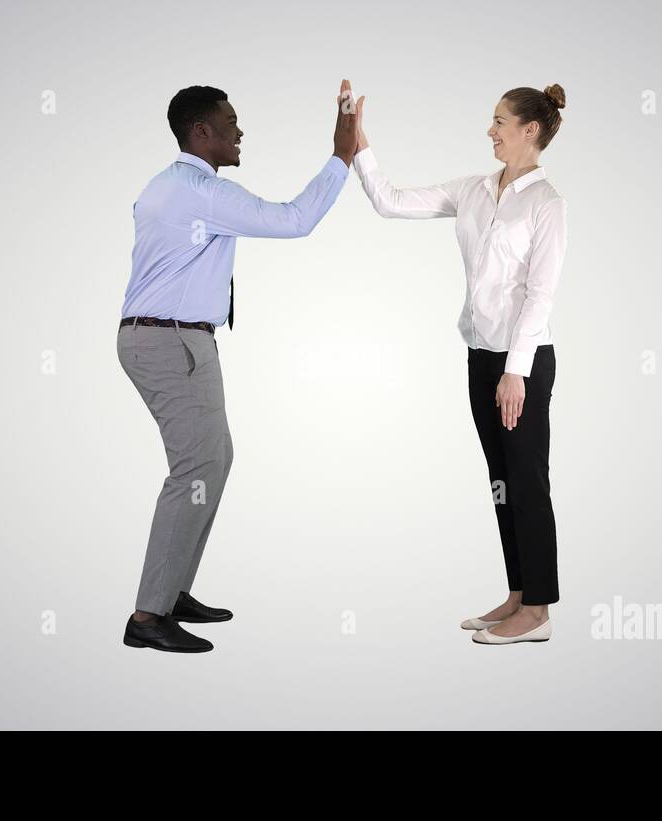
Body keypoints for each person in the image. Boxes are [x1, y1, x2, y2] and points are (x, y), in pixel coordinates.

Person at [118, 81, 359, 653]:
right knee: (196, 468)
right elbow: (295, 219)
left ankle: (172, 590)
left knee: (213, 460)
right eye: (230, 122)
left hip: (171, 339)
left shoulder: (168, 186)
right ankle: (148, 617)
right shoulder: (198, 189)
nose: (240, 130)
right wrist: (342, 156)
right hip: (170, 342)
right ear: (201, 132)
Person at [350, 84, 568, 645]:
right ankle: (519, 593)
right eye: (492, 121)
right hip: (479, 356)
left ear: (531, 131)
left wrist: (515, 371)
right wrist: (358, 140)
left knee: (526, 481)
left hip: (522, 364)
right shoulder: (472, 190)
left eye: (500, 122)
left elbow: (540, 295)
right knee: (500, 480)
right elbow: (391, 201)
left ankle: (539, 611)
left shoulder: (547, 204)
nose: (490, 131)